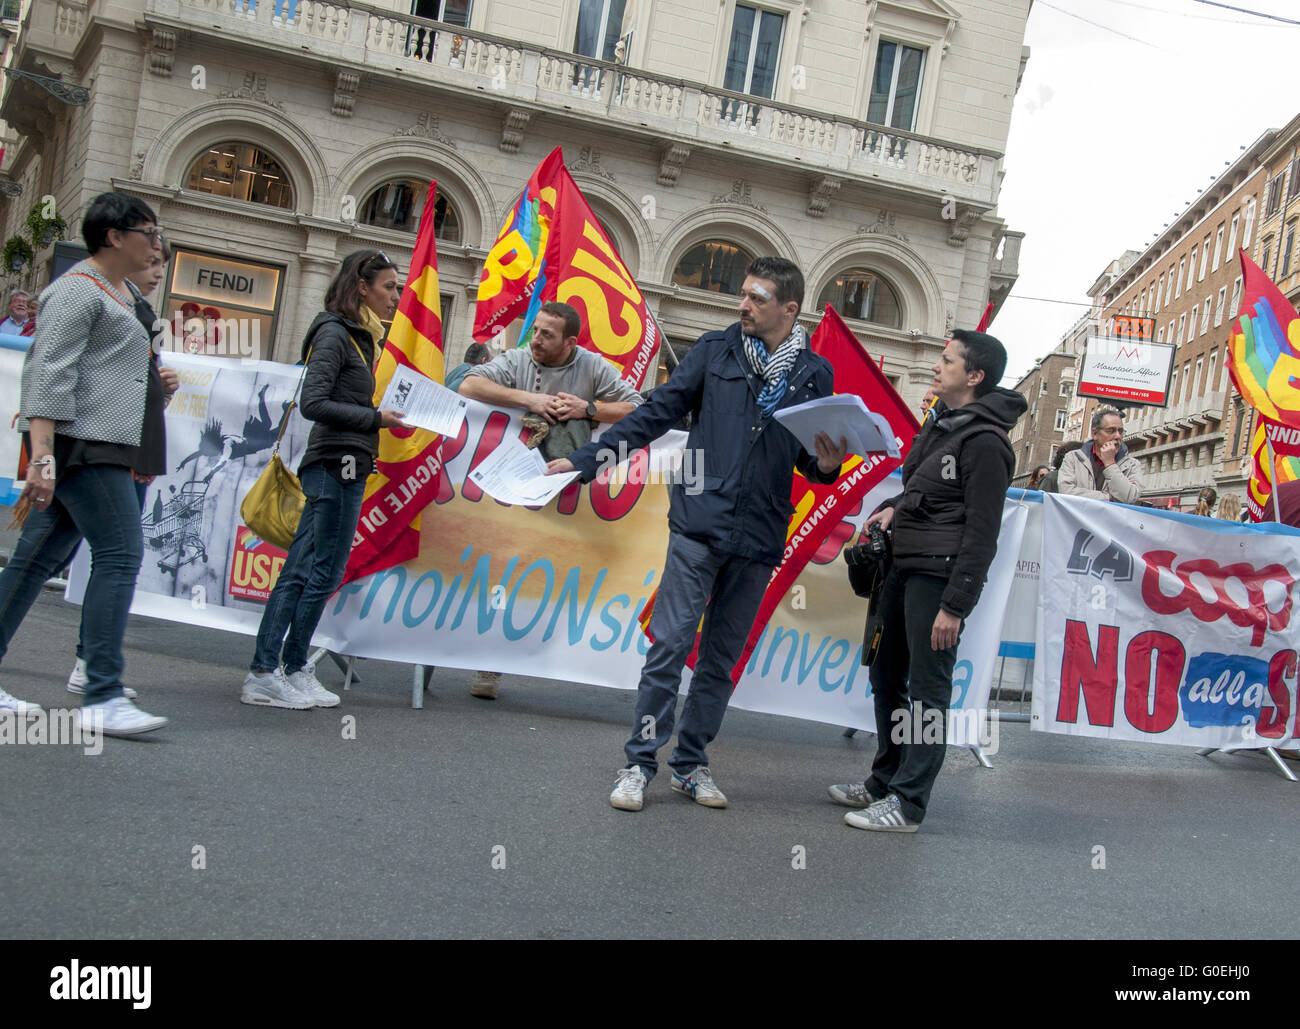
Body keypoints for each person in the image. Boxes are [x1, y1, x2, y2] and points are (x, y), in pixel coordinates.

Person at [547, 257, 848, 811]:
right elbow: (656, 413)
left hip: (759, 536)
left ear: (789, 309)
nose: (743, 305)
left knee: (721, 658)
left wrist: (828, 465)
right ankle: (638, 762)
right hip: (698, 523)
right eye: (743, 295)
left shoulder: (814, 372)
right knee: (671, 643)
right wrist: (587, 461)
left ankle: (691, 763)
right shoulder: (715, 349)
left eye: (757, 298)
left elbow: (812, 460)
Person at [830, 330, 1025, 832]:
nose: (936, 367)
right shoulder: (942, 424)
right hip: (900, 569)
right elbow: (918, 491)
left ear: (974, 375)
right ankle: (883, 781)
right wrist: (890, 510)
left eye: (947, 360)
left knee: (928, 692)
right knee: (885, 677)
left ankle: (909, 802)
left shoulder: (986, 443)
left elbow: (982, 534)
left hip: (937, 579)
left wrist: (955, 605)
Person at [0, 193, 170, 734]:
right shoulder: (75, 290)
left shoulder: (118, 293)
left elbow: (107, 377)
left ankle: (101, 690)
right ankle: (101, 693)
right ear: (114, 236)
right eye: (149, 231)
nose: (156, 243)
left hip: (101, 445)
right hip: (84, 447)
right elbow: (48, 373)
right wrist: (42, 457)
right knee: (120, 556)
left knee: (32, 564)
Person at [242, 250, 408, 709]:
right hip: (335, 464)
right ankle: (268, 670)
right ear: (362, 285)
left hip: (345, 462)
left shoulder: (360, 336)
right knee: (311, 572)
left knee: (315, 570)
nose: (395, 295)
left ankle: (289, 667)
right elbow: (313, 402)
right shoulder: (336, 334)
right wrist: (376, 418)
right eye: (389, 286)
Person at [458, 300, 643, 700]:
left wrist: (588, 408)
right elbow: (468, 385)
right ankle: (489, 664)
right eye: (535, 330)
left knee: (565, 575)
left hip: (571, 493)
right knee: (505, 571)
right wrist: (532, 400)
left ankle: (575, 660)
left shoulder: (592, 366)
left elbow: (640, 408)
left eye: (547, 334)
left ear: (570, 342)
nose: (536, 340)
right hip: (513, 486)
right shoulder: (521, 359)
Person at [65, 238, 181, 698]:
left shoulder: (147, 318)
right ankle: (97, 676)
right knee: (109, 558)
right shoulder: (88, 296)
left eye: (160, 265)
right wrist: (42, 446)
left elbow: (136, 384)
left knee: (95, 560)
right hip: (93, 451)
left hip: (130, 453)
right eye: (150, 262)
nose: (156, 273)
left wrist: (163, 386)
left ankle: (92, 667)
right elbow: (58, 370)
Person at [1057, 405, 1143, 503]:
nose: (1117, 436)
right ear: (1094, 433)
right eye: (1111, 431)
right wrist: (1108, 498)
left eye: (1120, 431)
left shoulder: (1132, 465)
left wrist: (1110, 464)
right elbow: (1066, 492)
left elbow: (1130, 498)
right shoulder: (1073, 458)